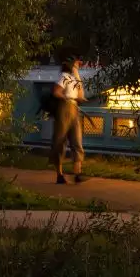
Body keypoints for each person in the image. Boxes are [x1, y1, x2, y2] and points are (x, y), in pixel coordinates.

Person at [50, 56, 86, 184]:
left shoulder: (75, 79)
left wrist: (77, 76)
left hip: (74, 107)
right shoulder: (64, 76)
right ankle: (59, 175)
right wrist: (66, 98)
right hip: (65, 107)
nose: (78, 65)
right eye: (76, 64)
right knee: (60, 141)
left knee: (77, 140)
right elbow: (56, 91)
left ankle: (77, 174)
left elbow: (81, 95)